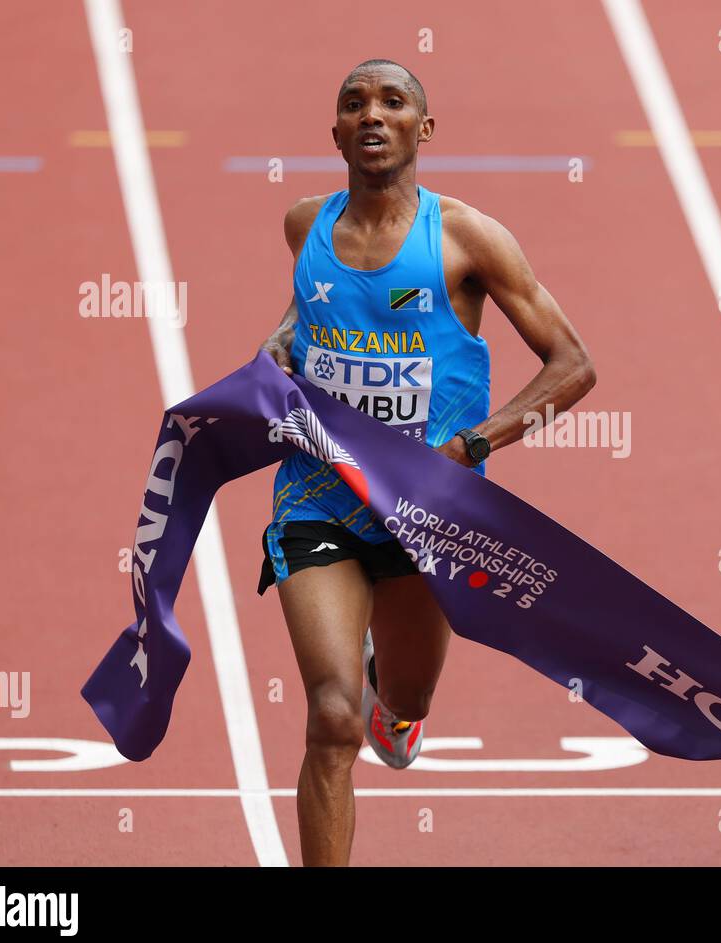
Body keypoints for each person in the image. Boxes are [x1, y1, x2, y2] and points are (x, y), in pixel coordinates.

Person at [258, 59, 596, 865]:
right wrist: (279, 346)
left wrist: (475, 445)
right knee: (331, 716)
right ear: (335, 131)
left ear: (423, 129)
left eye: (393, 102)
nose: (372, 115)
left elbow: (573, 366)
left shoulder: (468, 239)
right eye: (354, 104)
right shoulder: (305, 226)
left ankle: (396, 697)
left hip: (429, 512)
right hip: (319, 495)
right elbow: (310, 313)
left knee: (401, 701)